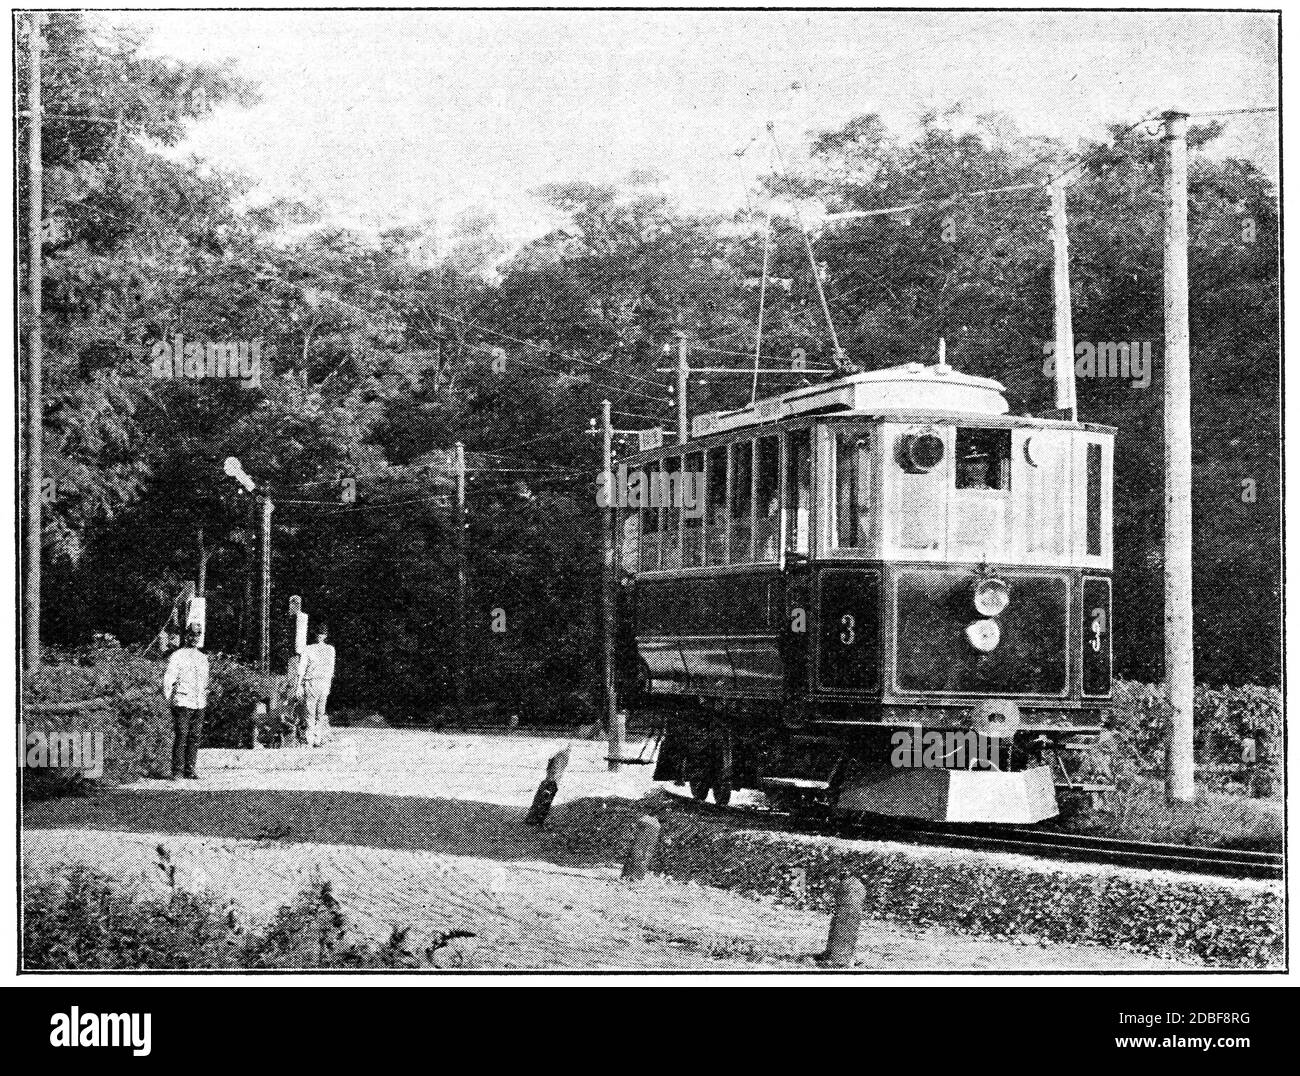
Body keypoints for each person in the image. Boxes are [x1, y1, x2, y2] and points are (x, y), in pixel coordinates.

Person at [163, 624, 209, 779]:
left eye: (197, 635)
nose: (194, 638)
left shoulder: (202, 658)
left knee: (195, 736)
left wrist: (205, 693)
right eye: (191, 635)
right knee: (182, 735)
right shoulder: (177, 656)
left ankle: (190, 770)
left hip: (199, 702)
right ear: (186, 636)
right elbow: (169, 678)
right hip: (182, 701)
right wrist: (168, 698)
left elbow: (205, 681)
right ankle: (177, 771)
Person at [297, 623, 336, 747]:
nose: (320, 635)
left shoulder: (310, 649)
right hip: (319, 682)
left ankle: (313, 738)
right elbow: (330, 669)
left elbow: (302, 668)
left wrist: (299, 685)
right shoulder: (328, 649)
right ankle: (315, 738)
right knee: (317, 712)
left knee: (313, 712)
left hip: (316, 682)